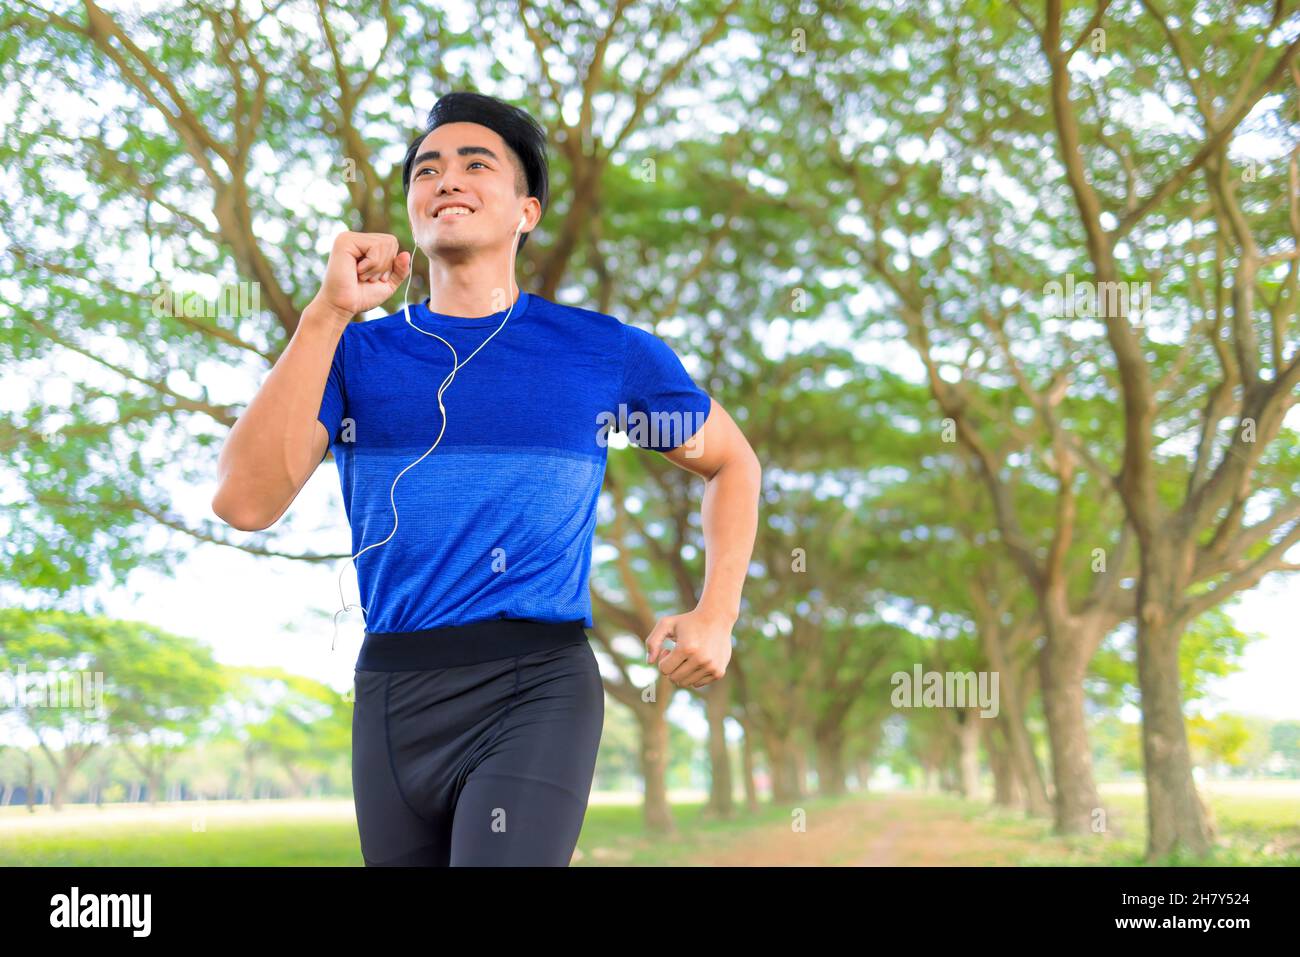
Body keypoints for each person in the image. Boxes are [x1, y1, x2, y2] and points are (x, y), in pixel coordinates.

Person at [211, 91, 762, 866]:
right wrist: (325, 314)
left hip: (535, 682)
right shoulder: (351, 357)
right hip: (392, 692)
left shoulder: (601, 353)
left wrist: (717, 612)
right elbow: (245, 500)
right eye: (426, 168)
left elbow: (732, 460)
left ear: (526, 211)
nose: (447, 179)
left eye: (477, 164)